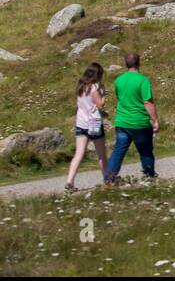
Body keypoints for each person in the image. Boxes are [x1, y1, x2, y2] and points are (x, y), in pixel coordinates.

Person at [103, 53, 158, 184]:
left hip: (122, 122)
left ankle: (109, 178)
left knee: (118, 152)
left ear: (125, 64)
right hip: (140, 123)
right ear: (139, 63)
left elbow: (119, 97)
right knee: (145, 152)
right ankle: (149, 176)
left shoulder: (118, 80)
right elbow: (147, 102)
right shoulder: (143, 80)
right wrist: (155, 120)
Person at [65, 62, 107, 191]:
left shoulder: (80, 87)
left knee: (79, 154)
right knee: (101, 154)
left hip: (81, 122)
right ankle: (108, 178)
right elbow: (100, 105)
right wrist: (104, 95)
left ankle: (70, 181)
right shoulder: (94, 88)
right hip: (93, 122)